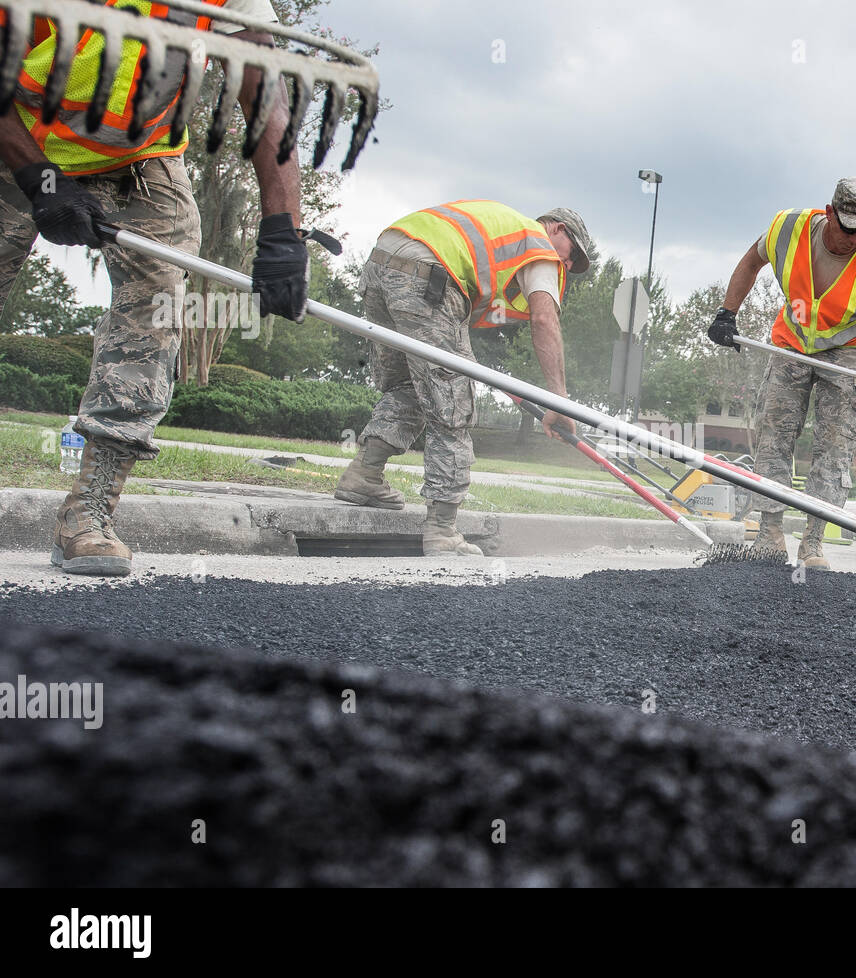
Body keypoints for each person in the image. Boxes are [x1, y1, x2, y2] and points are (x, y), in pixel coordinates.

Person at [0, 0, 308, 576]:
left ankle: (87, 511)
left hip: (142, 161)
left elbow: (264, 89)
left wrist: (283, 230)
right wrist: (41, 180)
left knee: (153, 323)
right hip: (17, 146)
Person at [333, 201, 594, 557]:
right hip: (428, 276)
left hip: (382, 262)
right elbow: (544, 320)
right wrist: (559, 401)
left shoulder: (502, 228)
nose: (566, 265)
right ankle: (442, 530)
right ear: (557, 229)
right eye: (571, 254)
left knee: (412, 384)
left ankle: (364, 474)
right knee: (454, 402)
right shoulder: (537, 245)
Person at [706, 177, 856, 568]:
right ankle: (770, 535)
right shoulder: (788, 228)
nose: (855, 239)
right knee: (774, 435)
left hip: (847, 354)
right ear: (829, 214)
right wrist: (728, 312)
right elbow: (750, 262)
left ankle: (813, 543)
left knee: (835, 447)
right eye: (848, 229)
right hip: (792, 342)